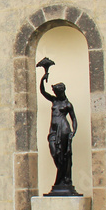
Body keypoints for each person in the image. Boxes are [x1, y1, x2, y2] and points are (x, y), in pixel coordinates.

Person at [37, 57, 80, 195]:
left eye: (57, 91)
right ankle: (62, 178)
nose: (55, 93)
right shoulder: (54, 100)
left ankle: (63, 180)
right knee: (55, 153)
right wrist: (43, 78)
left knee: (64, 155)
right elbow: (43, 92)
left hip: (64, 130)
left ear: (62, 91)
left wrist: (73, 131)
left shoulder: (67, 104)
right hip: (54, 131)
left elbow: (73, 119)